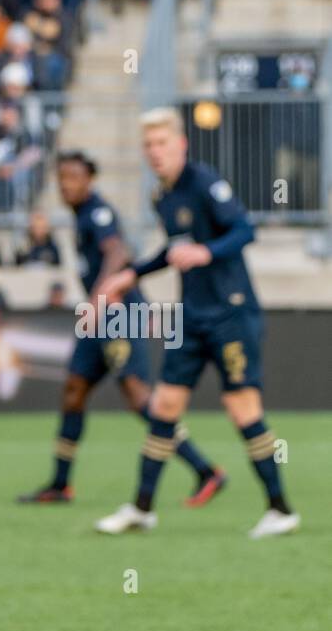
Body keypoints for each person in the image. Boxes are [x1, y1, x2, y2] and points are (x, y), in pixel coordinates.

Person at [94, 108, 299, 538]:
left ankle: (280, 509)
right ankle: (142, 508)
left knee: (242, 409)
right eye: (148, 145)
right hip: (189, 316)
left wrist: (208, 252)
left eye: (162, 143)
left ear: (181, 144)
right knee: (164, 407)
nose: (155, 152)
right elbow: (173, 249)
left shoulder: (204, 182)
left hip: (230, 313)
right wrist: (132, 273)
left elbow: (244, 230)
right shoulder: (161, 196)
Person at [18, 151, 222, 505]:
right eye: (62, 177)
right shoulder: (81, 215)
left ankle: (206, 471)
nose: (67, 184)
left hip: (119, 313)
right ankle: (61, 484)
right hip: (97, 318)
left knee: (138, 396)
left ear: (89, 181)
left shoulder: (98, 212)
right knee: (74, 390)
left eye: (74, 177)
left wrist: (100, 295)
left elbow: (117, 251)